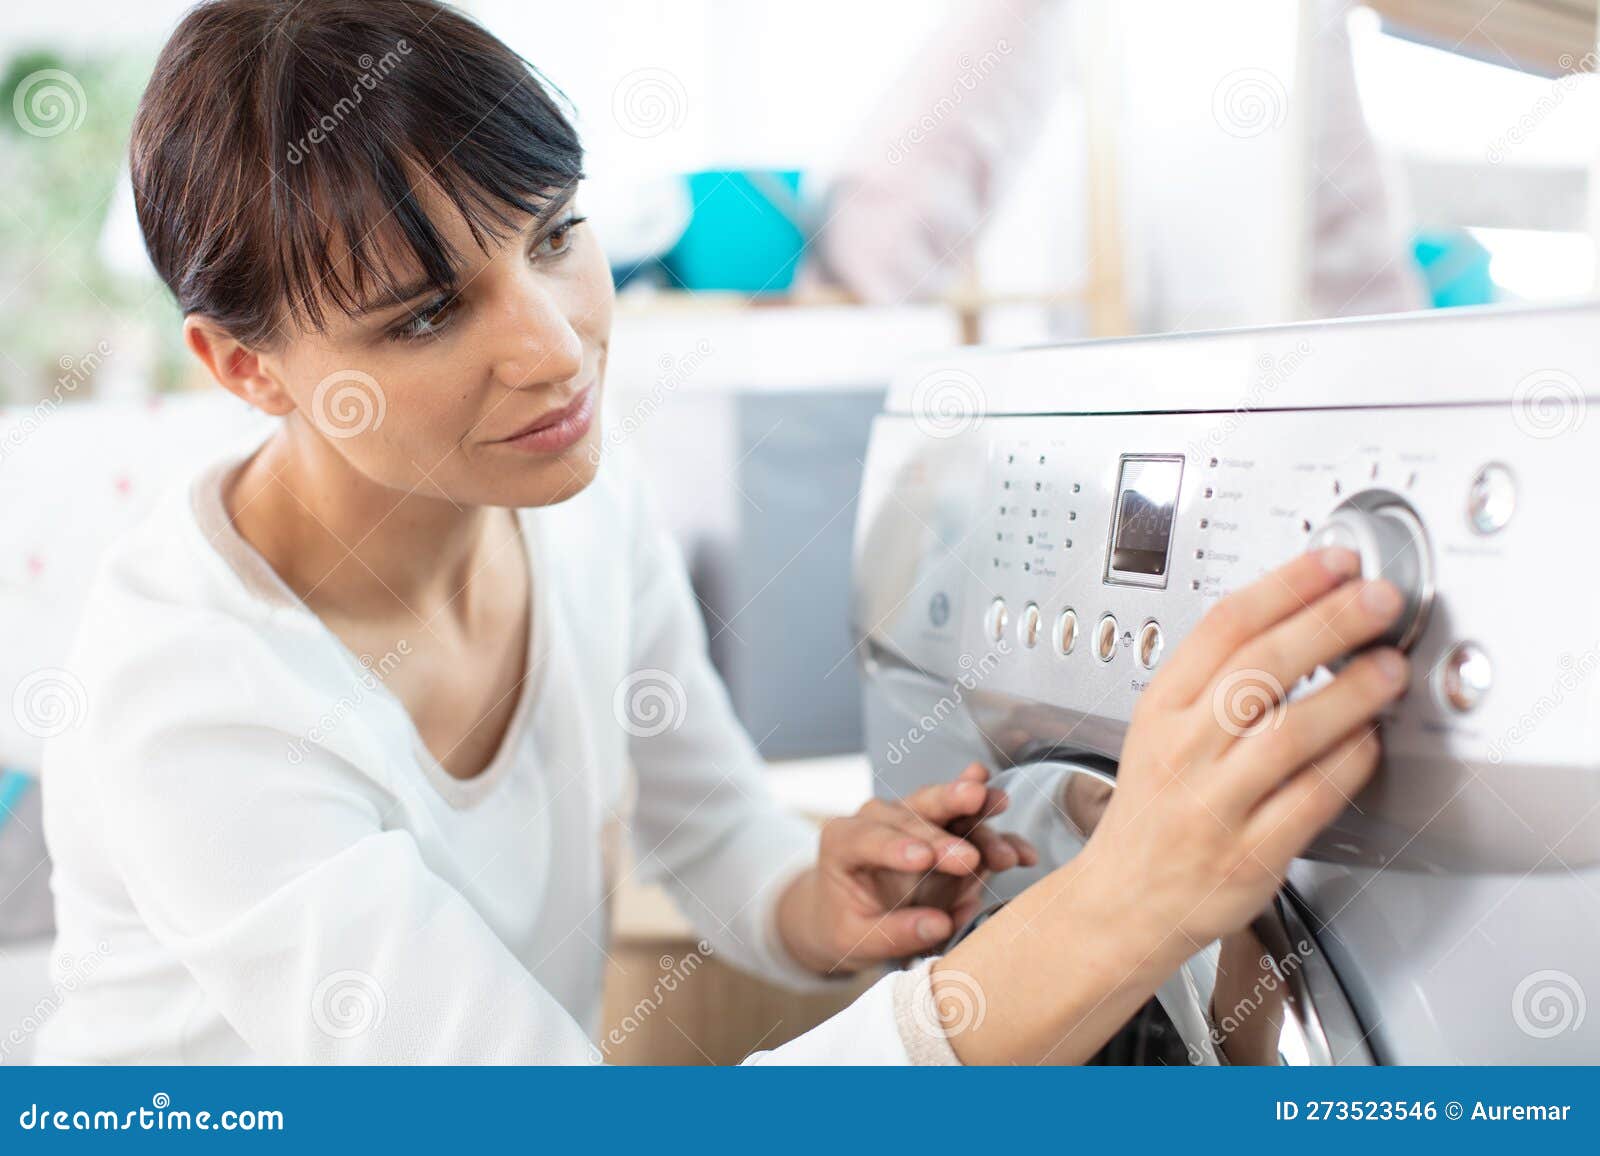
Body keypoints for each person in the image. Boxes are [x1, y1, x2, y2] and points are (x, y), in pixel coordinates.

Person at [37, 0, 1409, 1065]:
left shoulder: (570, 487)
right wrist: (1127, 903)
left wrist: (819, 892)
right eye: (428, 315)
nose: (556, 349)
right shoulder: (197, 703)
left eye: (557, 235)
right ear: (246, 371)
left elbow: (712, 832)